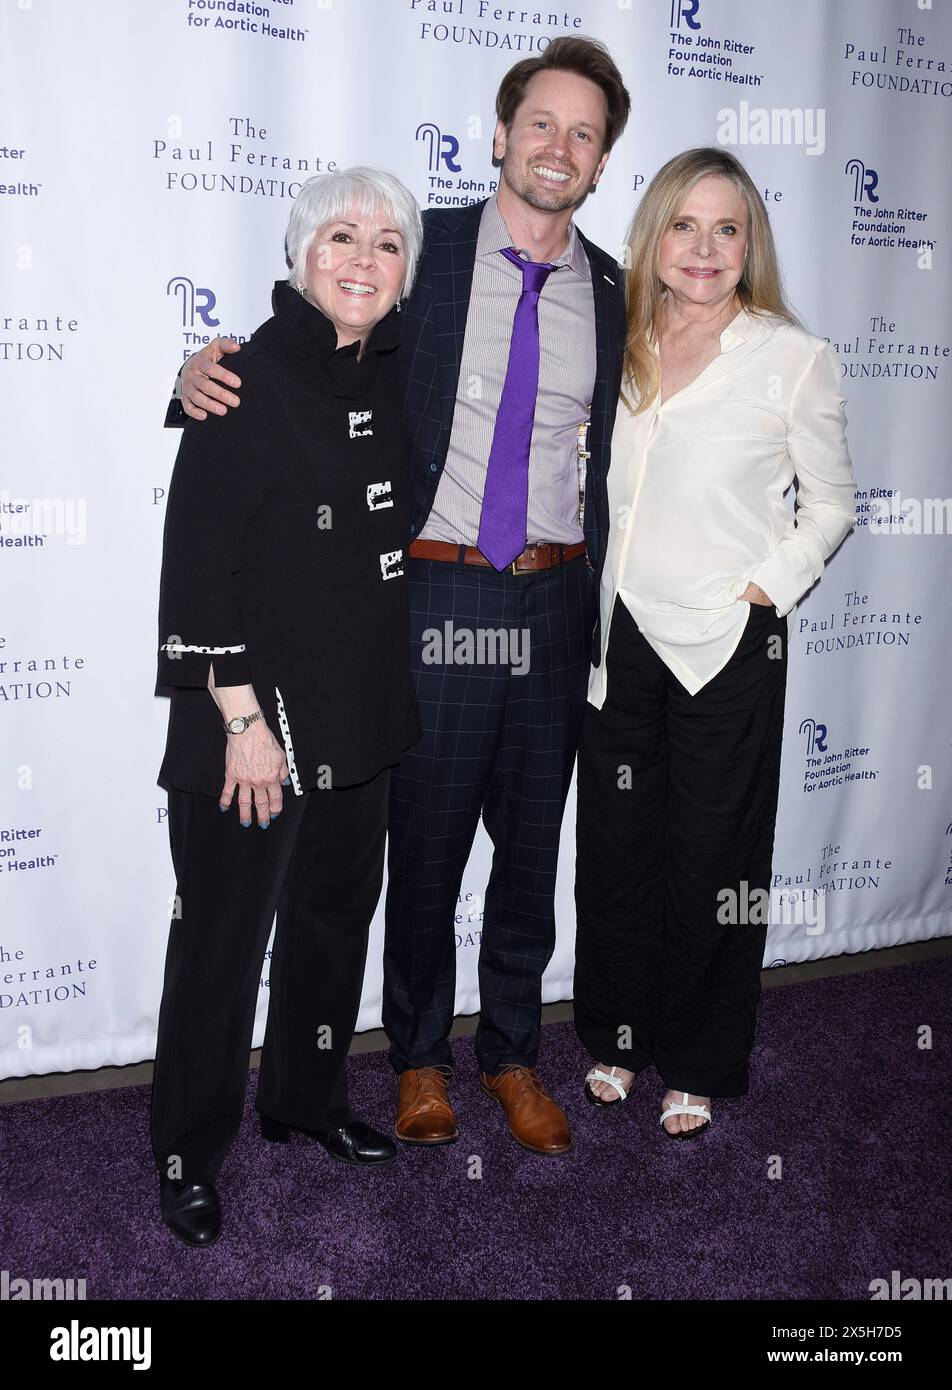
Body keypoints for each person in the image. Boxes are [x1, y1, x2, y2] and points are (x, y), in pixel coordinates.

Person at [172, 36, 630, 1157]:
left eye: (583, 133)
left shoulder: (615, 289)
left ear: (603, 157)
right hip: (435, 596)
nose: (557, 147)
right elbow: (310, 345)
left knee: (530, 845)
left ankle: (513, 1052)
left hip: (556, 595)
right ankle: (418, 1055)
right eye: (540, 124)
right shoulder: (426, 253)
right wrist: (193, 377)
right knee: (417, 848)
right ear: (499, 134)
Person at [152, 167, 423, 1246]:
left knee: (327, 925)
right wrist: (240, 718)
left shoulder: (406, 373)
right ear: (300, 254)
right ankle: (185, 1149)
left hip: (364, 711)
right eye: (341, 238)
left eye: (388, 243)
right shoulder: (238, 380)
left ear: (408, 272)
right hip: (249, 731)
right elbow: (197, 565)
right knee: (220, 944)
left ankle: (306, 1100)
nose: (363, 259)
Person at [575, 147, 856, 1136]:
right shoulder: (618, 338)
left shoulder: (790, 356)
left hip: (724, 644)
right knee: (615, 852)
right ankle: (614, 1036)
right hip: (618, 635)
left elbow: (830, 505)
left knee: (714, 861)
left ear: (749, 244)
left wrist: (761, 590)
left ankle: (695, 1060)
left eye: (725, 228)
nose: (702, 247)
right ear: (654, 237)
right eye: (683, 226)